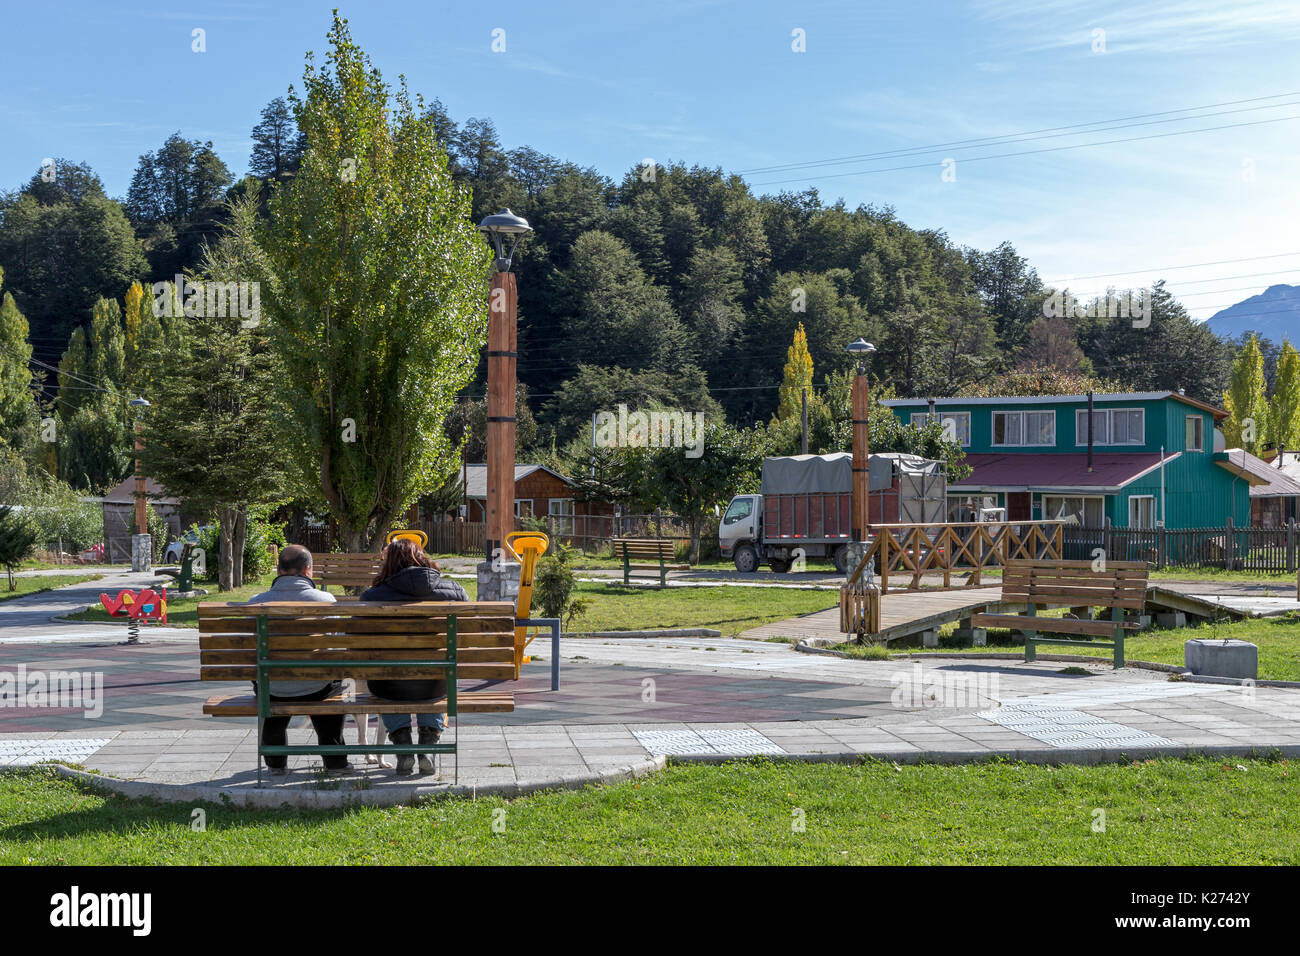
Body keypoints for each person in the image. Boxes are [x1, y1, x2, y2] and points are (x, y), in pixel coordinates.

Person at [361, 538, 467, 775]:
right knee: (437, 671)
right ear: (422, 558)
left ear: (388, 565)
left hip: (389, 685)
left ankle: (403, 746)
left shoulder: (372, 597)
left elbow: (360, 642)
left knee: (387, 675)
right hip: (436, 684)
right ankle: (428, 746)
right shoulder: (455, 592)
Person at [245, 544, 349, 775]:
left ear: (278, 570)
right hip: (317, 686)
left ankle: (275, 763)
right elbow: (339, 644)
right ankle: (335, 762)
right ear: (307, 570)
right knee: (330, 686)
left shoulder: (256, 602)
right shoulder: (325, 600)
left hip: (271, 686)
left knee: (271, 684)